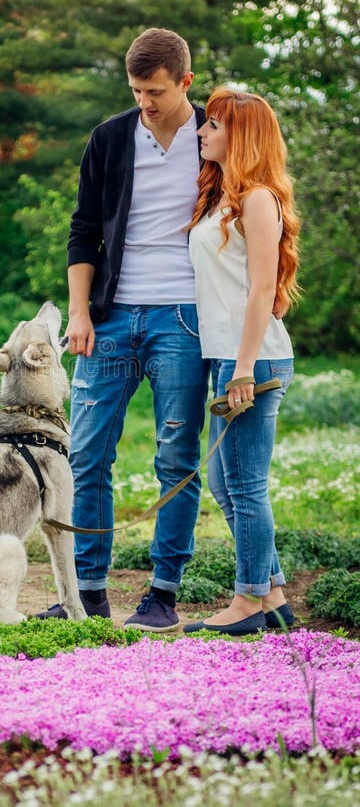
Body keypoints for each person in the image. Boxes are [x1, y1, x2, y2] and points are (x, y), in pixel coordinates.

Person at [37, 28, 209, 632]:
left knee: (177, 459)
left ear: (186, 81)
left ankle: (162, 596)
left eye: (156, 91)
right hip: (110, 317)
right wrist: (79, 311)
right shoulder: (109, 138)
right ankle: (87, 594)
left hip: (184, 320)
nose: (146, 102)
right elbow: (84, 229)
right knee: (84, 455)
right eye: (136, 90)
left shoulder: (219, 134)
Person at [184, 87, 301, 635]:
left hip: (254, 360)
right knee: (224, 485)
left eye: (213, 125)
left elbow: (259, 292)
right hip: (228, 357)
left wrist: (244, 368)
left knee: (246, 486)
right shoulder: (226, 197)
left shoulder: (257, 199)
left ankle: (248, 601)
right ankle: (272, 593)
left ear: (242, 134)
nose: (202, 132)